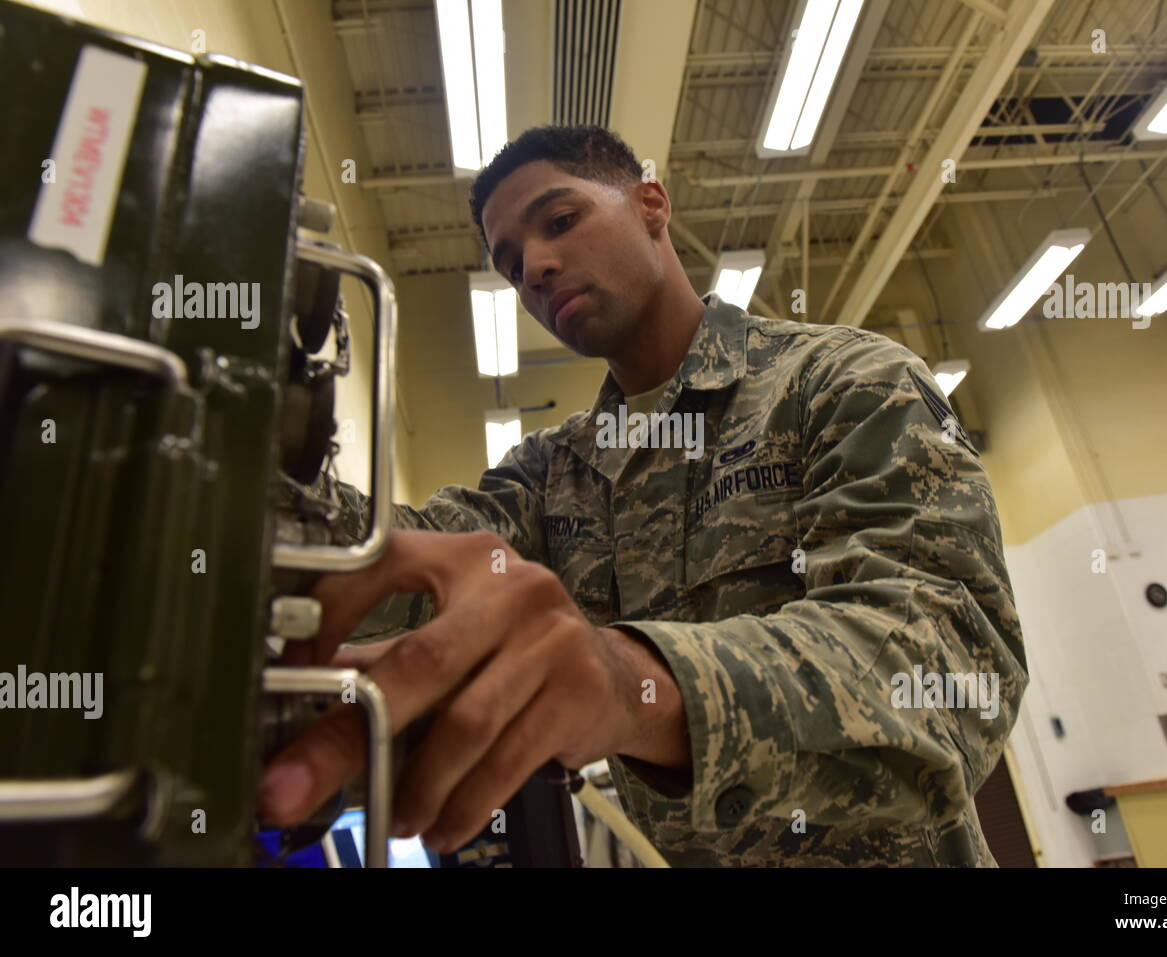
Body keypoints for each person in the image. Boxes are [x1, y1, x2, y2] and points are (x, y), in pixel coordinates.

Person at [259, 124, 1028, 867]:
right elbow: (403, 554)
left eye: (561, 220)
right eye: (511, 261)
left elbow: (948, 672)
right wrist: (258, 483)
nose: (535, 267)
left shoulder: (842, 382)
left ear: (652, 204)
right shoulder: (556, 475)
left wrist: (634, 683)